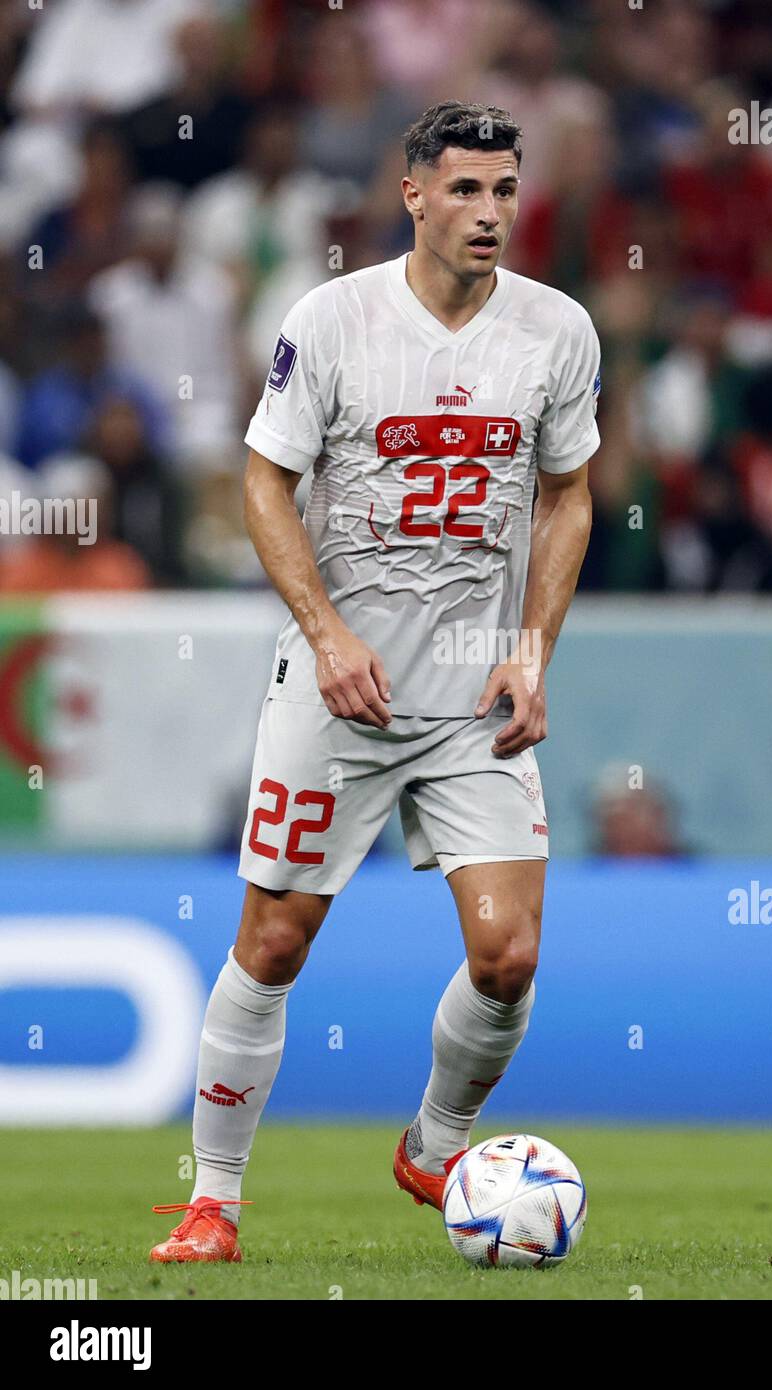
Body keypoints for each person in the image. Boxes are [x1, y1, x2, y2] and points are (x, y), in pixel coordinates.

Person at [149, 100, 601, 1262]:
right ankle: (213, 1200)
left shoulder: (557, 333)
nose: (489, 212)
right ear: (413, 194)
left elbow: (567, 494)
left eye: (504, 190)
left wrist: (531, 647)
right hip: (335, 689)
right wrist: (328, 629)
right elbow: (262, 480)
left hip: (471, 699)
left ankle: (436, 1140)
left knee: (510, 955)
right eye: (464, 190)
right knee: (275, 941)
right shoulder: (334, 320)